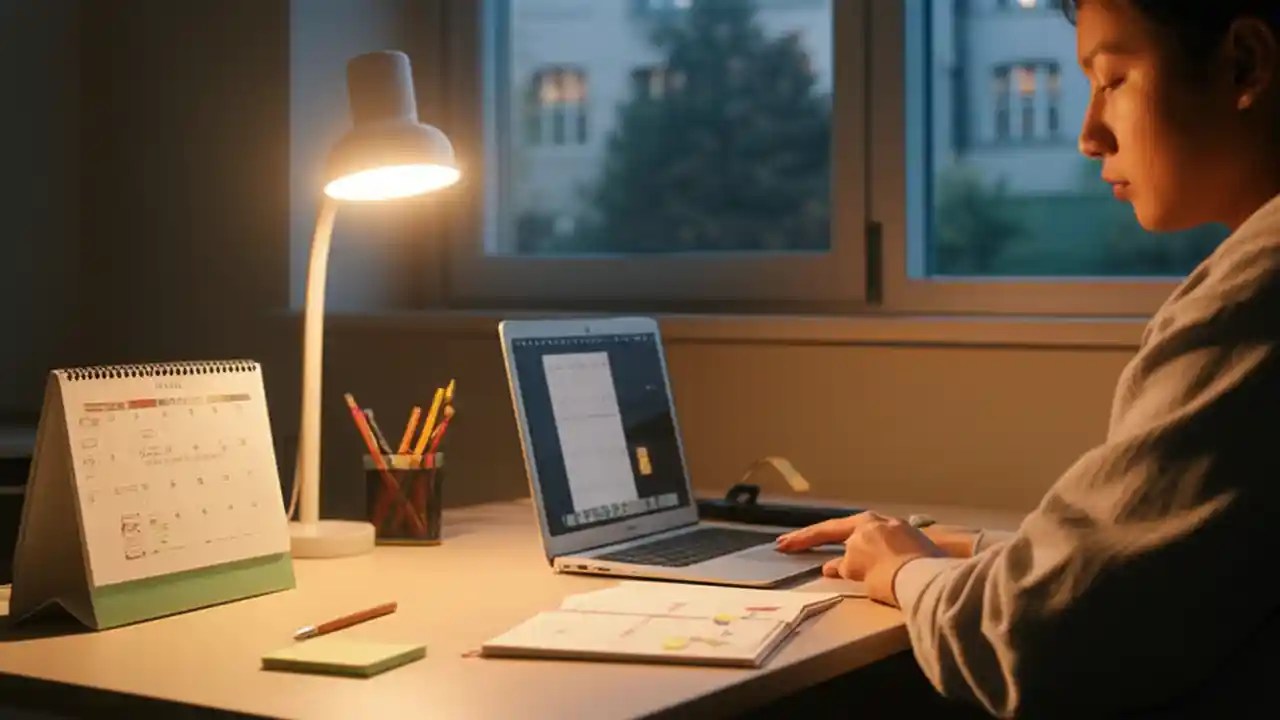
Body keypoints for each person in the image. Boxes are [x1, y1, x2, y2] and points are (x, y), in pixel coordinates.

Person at [776, 1, 1280, 717]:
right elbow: (1186, 562)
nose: (1087, 134)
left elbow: (1035, 641)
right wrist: (981, 552)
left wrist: (905, 571)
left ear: (1244, 66)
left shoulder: (1256, 296)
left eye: (1112, 80)